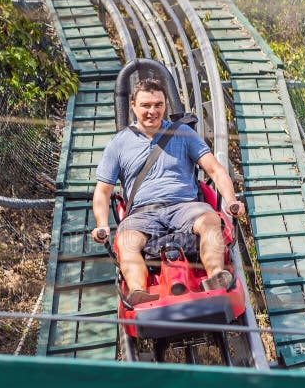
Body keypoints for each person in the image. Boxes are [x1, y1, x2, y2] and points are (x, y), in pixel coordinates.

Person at [90, 78, 246, 306]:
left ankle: (216, 277)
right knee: (126, 239)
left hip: (185, 206)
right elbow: (103, 192)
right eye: (146, 105)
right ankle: (137, 291)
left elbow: (215, 169)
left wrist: (231, 201)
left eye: (158, 105)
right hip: (143, 213)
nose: (152, 111)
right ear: (133, 105)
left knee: (211, 220)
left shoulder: (183, 133)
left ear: (165, 105)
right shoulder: (118, 144)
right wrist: (102, 224)